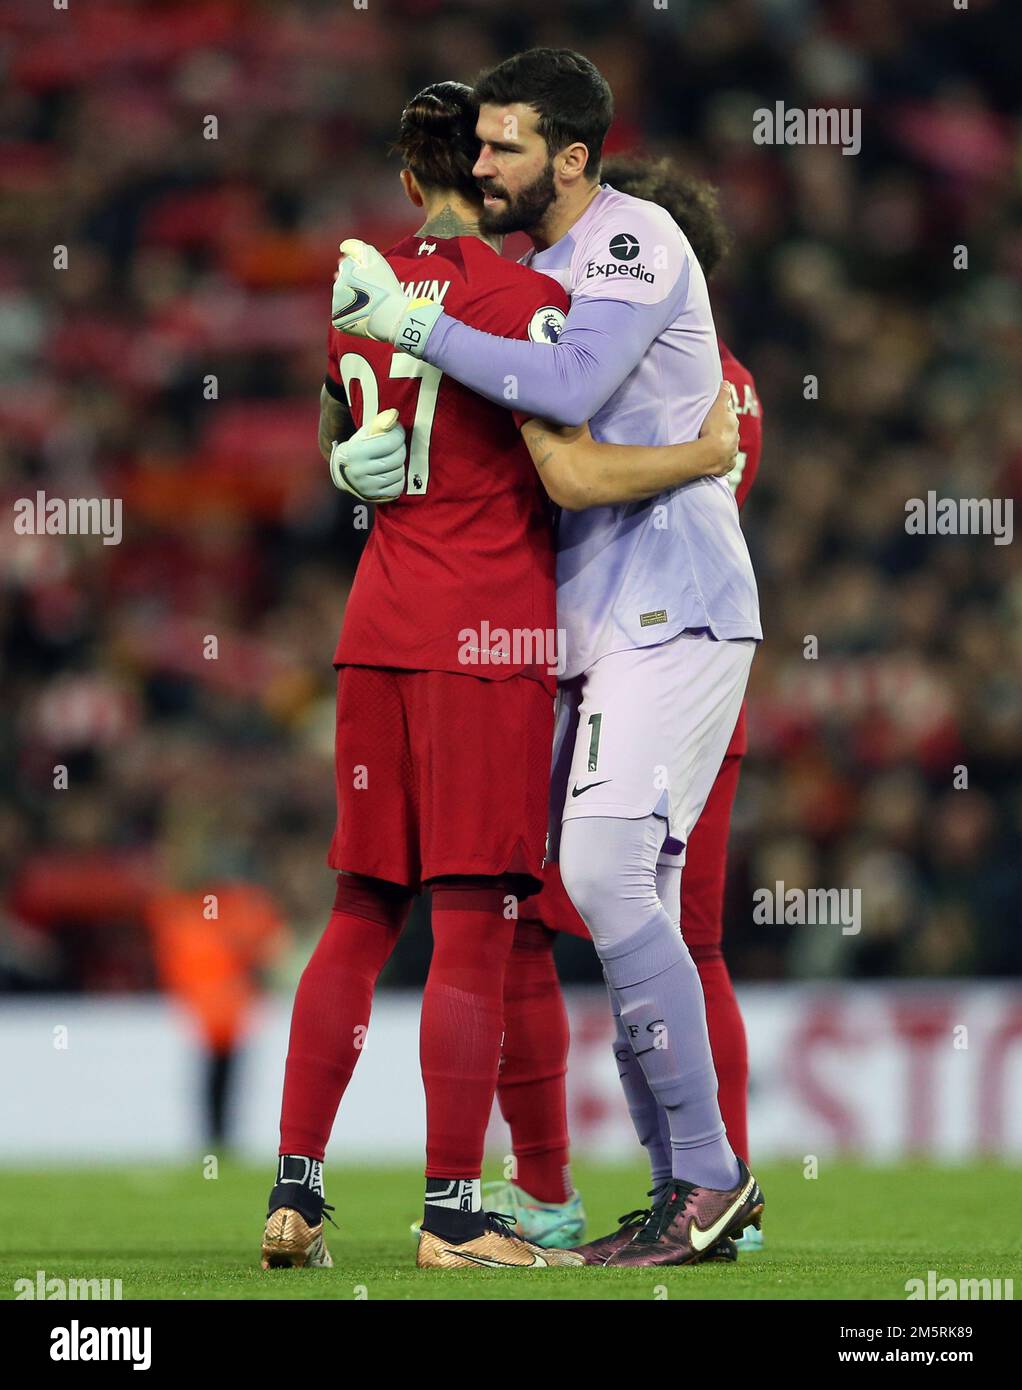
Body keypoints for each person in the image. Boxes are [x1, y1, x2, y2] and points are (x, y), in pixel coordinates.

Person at [262, 82, 738, 1273]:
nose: (492, 164)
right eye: (483, 148)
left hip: (375, 625)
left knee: (363, 907)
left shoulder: (357, 299)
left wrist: (346, 469)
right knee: (484, 918)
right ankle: (459, 1208)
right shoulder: (523, 299)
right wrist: (712, 449)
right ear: (472, 175)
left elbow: (343, 429)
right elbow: (566, 462)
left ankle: (297, 1190)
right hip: (491, 639)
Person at [488, 157, 765, 1261]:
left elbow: (592, 479)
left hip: (664, 638)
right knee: (651, 920)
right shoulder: (721, 370)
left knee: (647, 914)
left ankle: (705, 1177)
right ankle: (686, 1189)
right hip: (643, 648)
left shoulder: (671, 371)